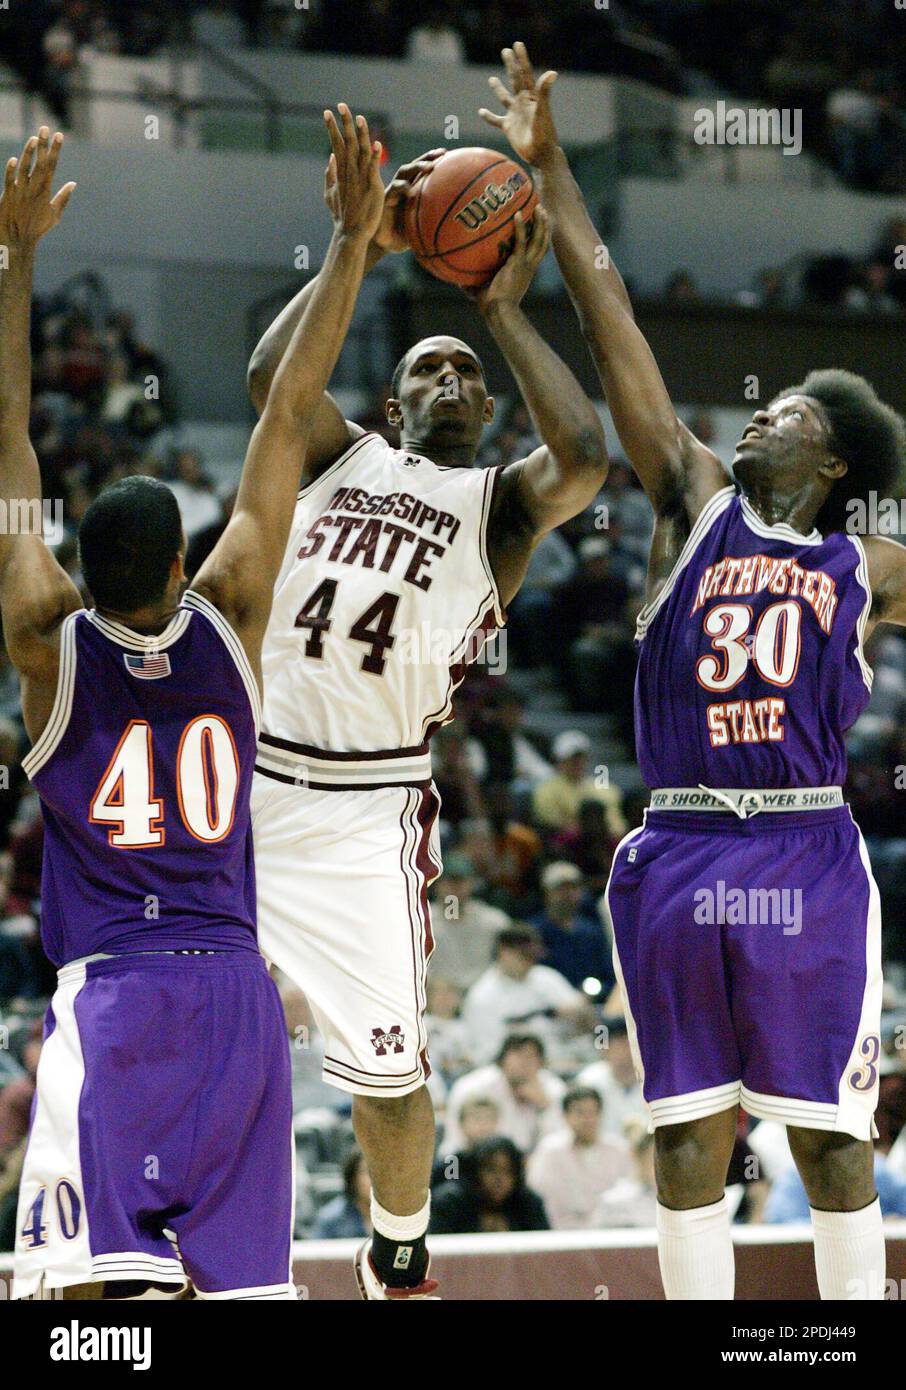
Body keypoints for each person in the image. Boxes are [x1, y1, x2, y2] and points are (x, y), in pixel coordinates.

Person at [482, 42, 906, 1301]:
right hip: (675, 846)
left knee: (830, 1139)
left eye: (792, 419)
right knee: (684, 1137)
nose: (760, 417)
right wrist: (551, 174)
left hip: (806, 849)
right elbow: (614, 320)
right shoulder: (689, 496)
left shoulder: (864, 561)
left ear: (832, 465)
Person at [5, 115, 377, 1300]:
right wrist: (351, 242)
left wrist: (15, 258)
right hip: (235, 993)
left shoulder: (42, 645)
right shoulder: (233, 608)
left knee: (97, 1303)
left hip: (117, 996)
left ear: (75, 565)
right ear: (182, 565)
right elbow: (288, 411)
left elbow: (5, 441)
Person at [246, 109, 608, 1300]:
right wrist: (363, 244)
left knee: (390, 1074)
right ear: (392, 408)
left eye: (466, 371)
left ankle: (397, 1257)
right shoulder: (340, 456)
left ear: (483, 408)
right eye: (427, 368)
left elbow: (591, 458)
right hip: (237, 779)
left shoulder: (496, 508)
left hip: (362, 815)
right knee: (163, 1004)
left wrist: (503, 308)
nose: (449, 376)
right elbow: (268, 380)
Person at [460, 925, 593, 1066]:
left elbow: (586, 1024)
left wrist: (580, 1013)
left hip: (568, 1059)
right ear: (504, 952)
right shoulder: (482, 997)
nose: (531, 961)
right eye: (524, 955)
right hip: (522, 1071)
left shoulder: (547, 977)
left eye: (533, 955)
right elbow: (491, 1054)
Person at [441, 1033, 566, 1154]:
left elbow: (563, 1141)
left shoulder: (553, 1088)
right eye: (518, 1055)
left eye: (531, 1056)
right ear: (502, 1058)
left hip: (532, 1165)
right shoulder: (472, 1087)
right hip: (476, 1161)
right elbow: (454, 1142)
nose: (524, 1063)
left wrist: (544, 1106)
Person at [526, 1086, 630, 1230]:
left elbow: (629, 1193)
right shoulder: (550, 1150)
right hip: (561, 1232)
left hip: (610, 1231)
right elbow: (540, 1195)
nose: (588, 1119)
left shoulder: (619, 1149)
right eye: (580, 1113)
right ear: (566, 1116)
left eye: (593, 1112)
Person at [430, 1137, 548, 1234]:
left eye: (508, 1171)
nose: (499, 1180)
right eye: (491, 1170)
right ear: (476, 1171)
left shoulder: (528, 1203)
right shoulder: (451, 1202)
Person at [530, 860, 614, 995]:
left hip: (591, 1004)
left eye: (572, 888)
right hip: (547, 1006)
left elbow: (609, 975)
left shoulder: (592, 932)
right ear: (547, 893)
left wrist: (591, 994)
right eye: (560, 889)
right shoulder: (534, 931)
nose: (567, 895)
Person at [532, 729, 626, 837]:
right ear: (559, 761)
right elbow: (551, 822)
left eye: (581, 758)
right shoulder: (546, 789)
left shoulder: (605, 788)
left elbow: (616, 825)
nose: (577, 763)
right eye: (572, 759)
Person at [313, 1149, 372, 1240]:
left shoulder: (398, 1218)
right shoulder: (330, 1220)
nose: (376, 1180)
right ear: (353, 1178)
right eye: (368, 1172)